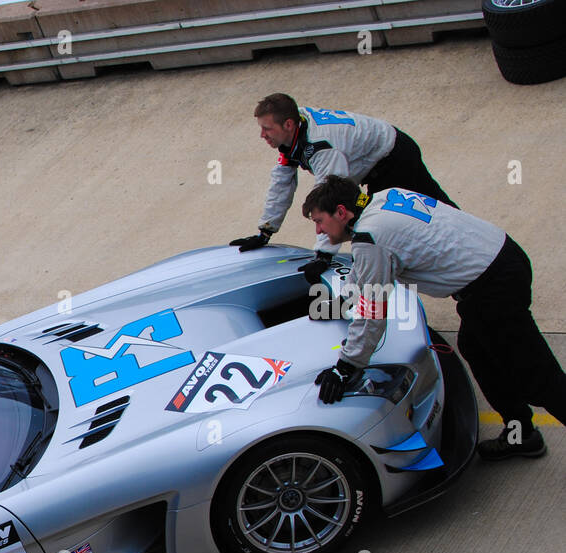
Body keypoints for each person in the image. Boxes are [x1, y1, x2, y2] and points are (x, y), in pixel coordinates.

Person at [301, 175, 566, 460]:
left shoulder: (369, 239)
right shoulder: (386, 196)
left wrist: (347, 366)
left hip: (492, 287)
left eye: (319, 221)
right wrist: (343, 302)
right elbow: (366, 274)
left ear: (341, 212)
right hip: (503, 259)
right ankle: (521, 433)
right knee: (477, 349)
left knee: (537, 376)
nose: (319, 230)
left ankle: (524, 431)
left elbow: (372, 314)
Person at [232, 93, 456, 280]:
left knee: (425, 213)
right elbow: (281, 183)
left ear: (288, 124)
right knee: (383, 221)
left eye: (267, 129)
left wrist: (324, 254)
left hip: (394, 158)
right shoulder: (293, 127)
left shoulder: (322, 147)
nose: (262, 135)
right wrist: (265, 231)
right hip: (371, 166)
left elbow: (331, 201)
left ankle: (464, 258)